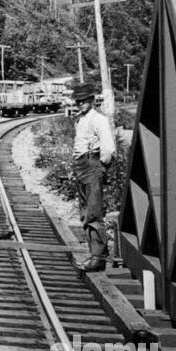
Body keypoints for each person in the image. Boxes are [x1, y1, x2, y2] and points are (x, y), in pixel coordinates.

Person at [71, 82, 116, 272]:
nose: (79, 104)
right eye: (78, 101)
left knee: (93, 213)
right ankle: (93, 254)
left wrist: (100, 167)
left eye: (83, 100)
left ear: (91, 100)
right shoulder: (80, 119)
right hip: (82, 165)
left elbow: (108, 149)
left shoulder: (99, 120)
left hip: (92, 165)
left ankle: (98, 257)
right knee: (85, 212)